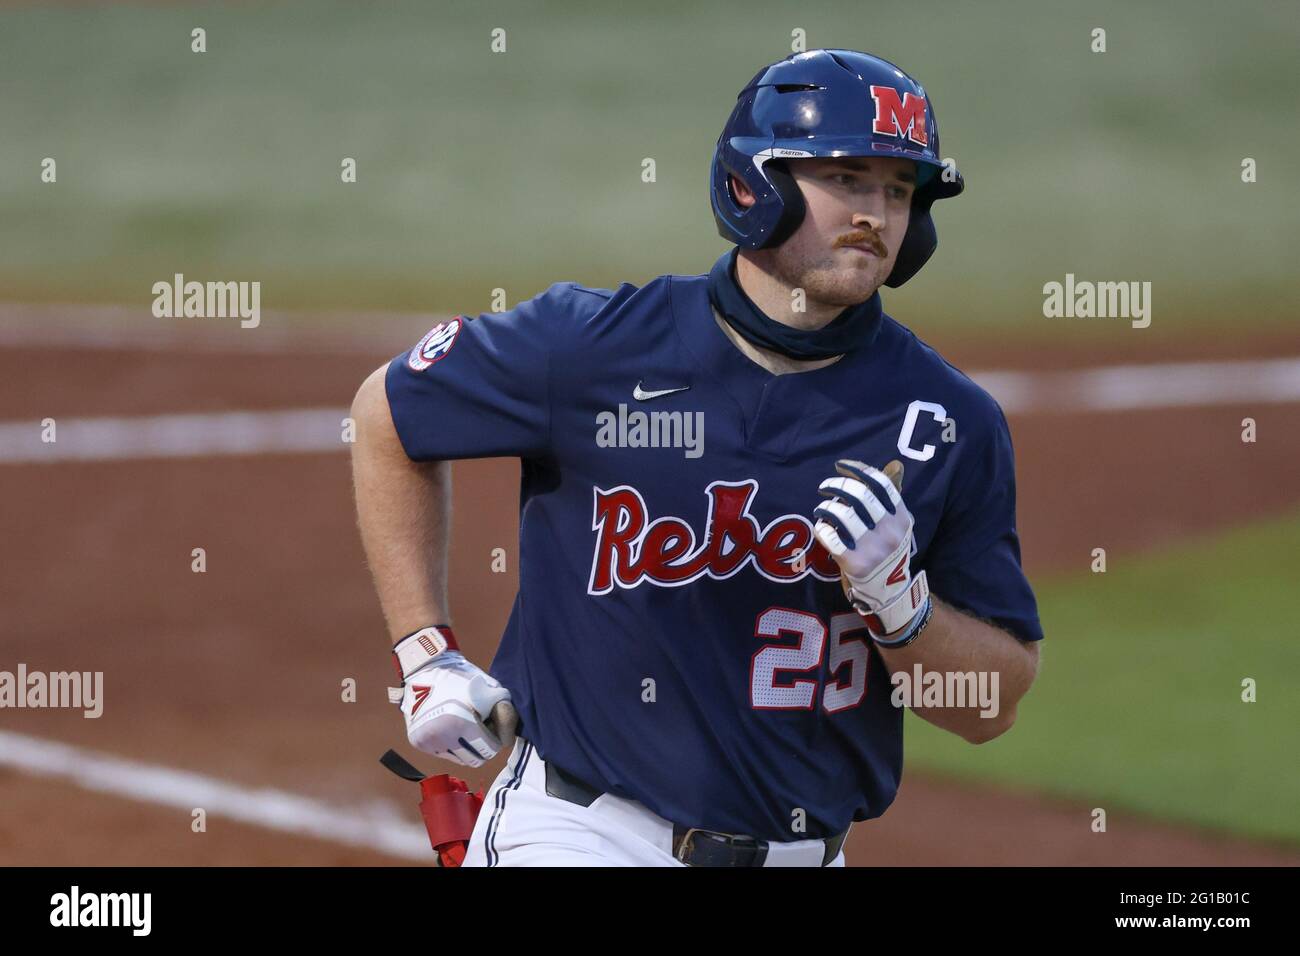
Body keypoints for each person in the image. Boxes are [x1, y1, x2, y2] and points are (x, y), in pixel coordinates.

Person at [350, 48, 1042, 867]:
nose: (876, 214)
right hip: (580, 832)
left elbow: (988, 707)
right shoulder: (590, 348)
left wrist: (904, 609)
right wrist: (425, 653)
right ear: (757, 185)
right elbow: (387, 414)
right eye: (847, 179)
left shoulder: (948, 421)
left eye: (898, 190)